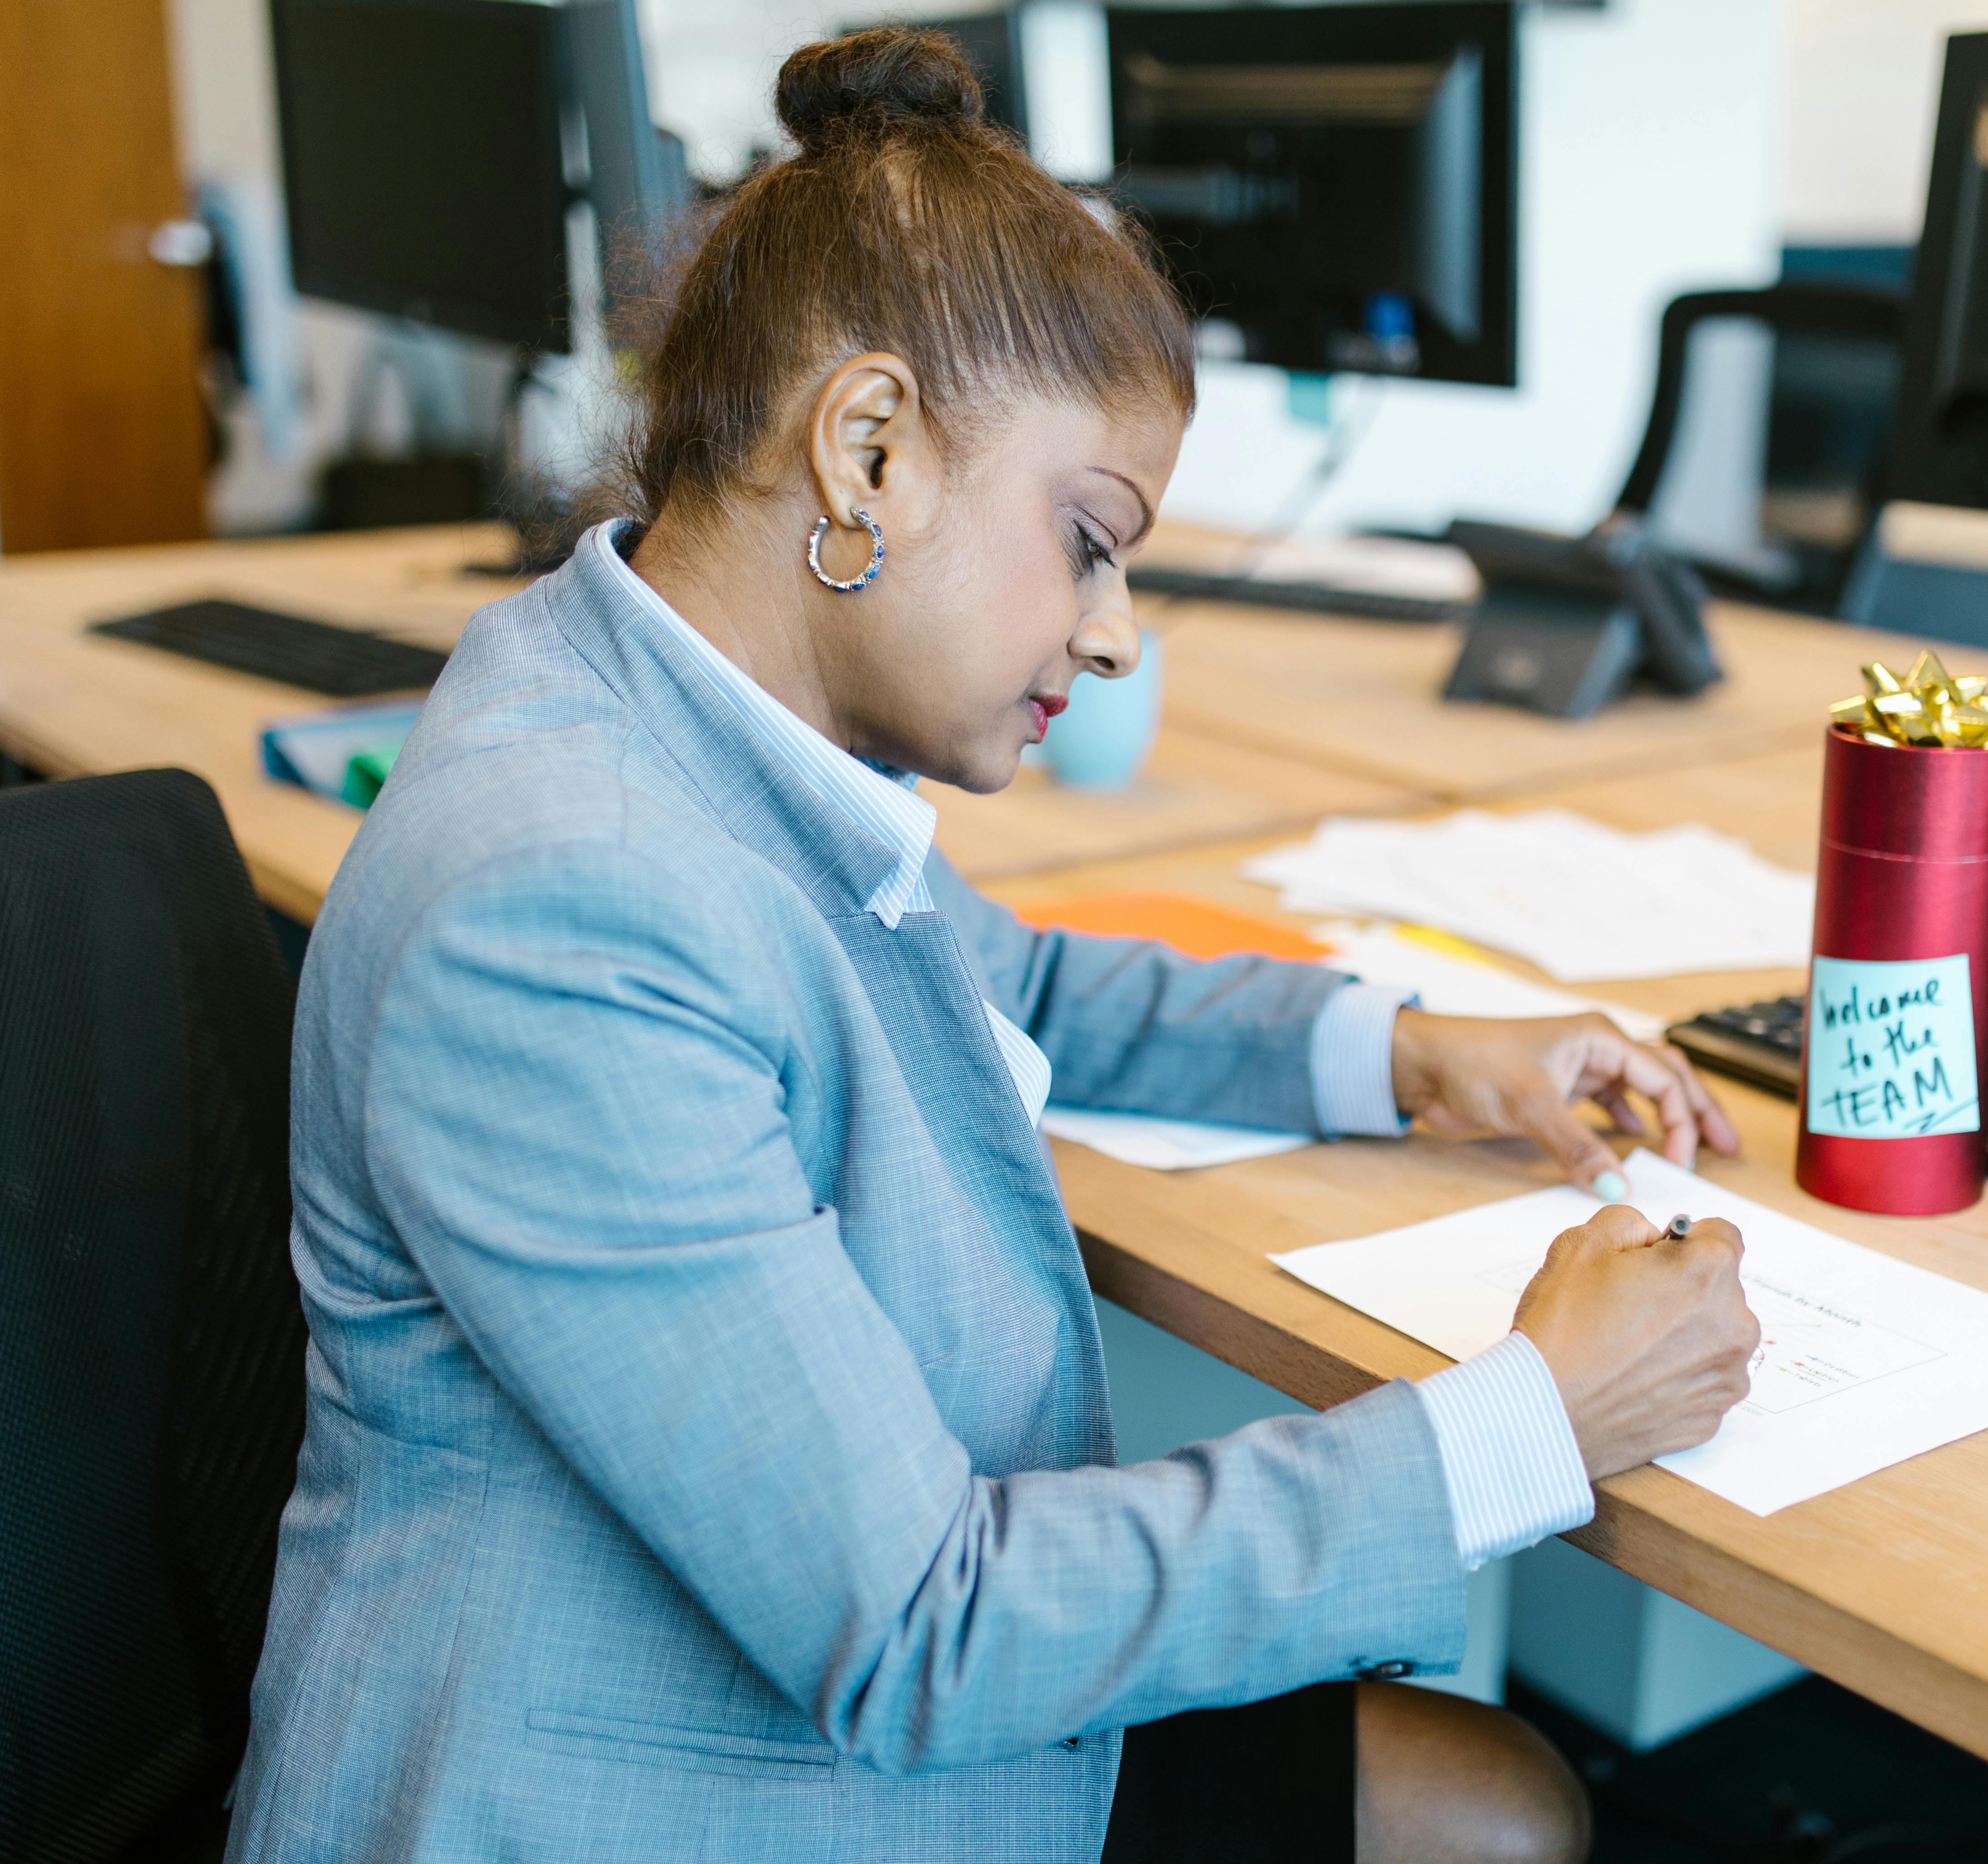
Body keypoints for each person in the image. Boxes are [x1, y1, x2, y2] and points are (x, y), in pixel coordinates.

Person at [227, 27, 1761, 1864]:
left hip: (779, 1680)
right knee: (1489, 1810)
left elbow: (1005, 983)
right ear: (866, 449)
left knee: (1497, 1802)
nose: (1112, 634)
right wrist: (1533, 1423)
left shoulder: (673, 717)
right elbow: (921, 1631)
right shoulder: (559, 909)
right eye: (1090, 541)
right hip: (640, 1789)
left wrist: (1413, 1048)